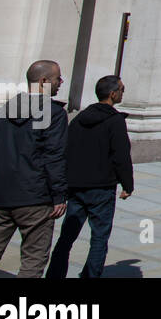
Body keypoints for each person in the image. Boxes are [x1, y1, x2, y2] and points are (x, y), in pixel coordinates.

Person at [0, 60, 69, 278]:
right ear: (43, 81)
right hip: (35, 198)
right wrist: (59, 195)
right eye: (57, 78)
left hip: (0, 194)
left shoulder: (4, 110)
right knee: (33, 262)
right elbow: (54, 156)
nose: (60, 82)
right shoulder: (54, 113)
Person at [46, 74, 133, 279]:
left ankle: (54, 275)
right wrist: (127, 184)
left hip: (76, 185)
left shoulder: (80, 118)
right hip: (101, 188)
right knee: (99, 239)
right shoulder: (115, 121)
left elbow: (66, 149)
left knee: (66, 237)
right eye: (121, 89)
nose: (123, 92)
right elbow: (121, 155)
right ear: (112, 94)